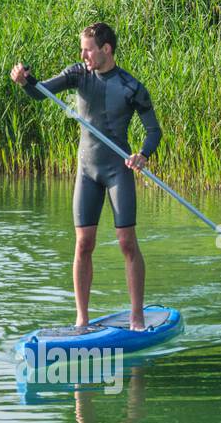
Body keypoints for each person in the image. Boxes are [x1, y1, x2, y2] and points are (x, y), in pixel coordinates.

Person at [10, 22, 162, 331]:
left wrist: (143, 154)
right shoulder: (78, 74)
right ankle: (82, 318)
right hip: (87, 169)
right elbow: (41, 93)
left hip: (119, 169)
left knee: (127, 243)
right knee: (83, 244)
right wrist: (26, 81)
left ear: (106, 50)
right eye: (82, 49)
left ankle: (136, 316)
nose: (83, 54)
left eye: (88, 49)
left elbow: (153, 130)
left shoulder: (131, 86)